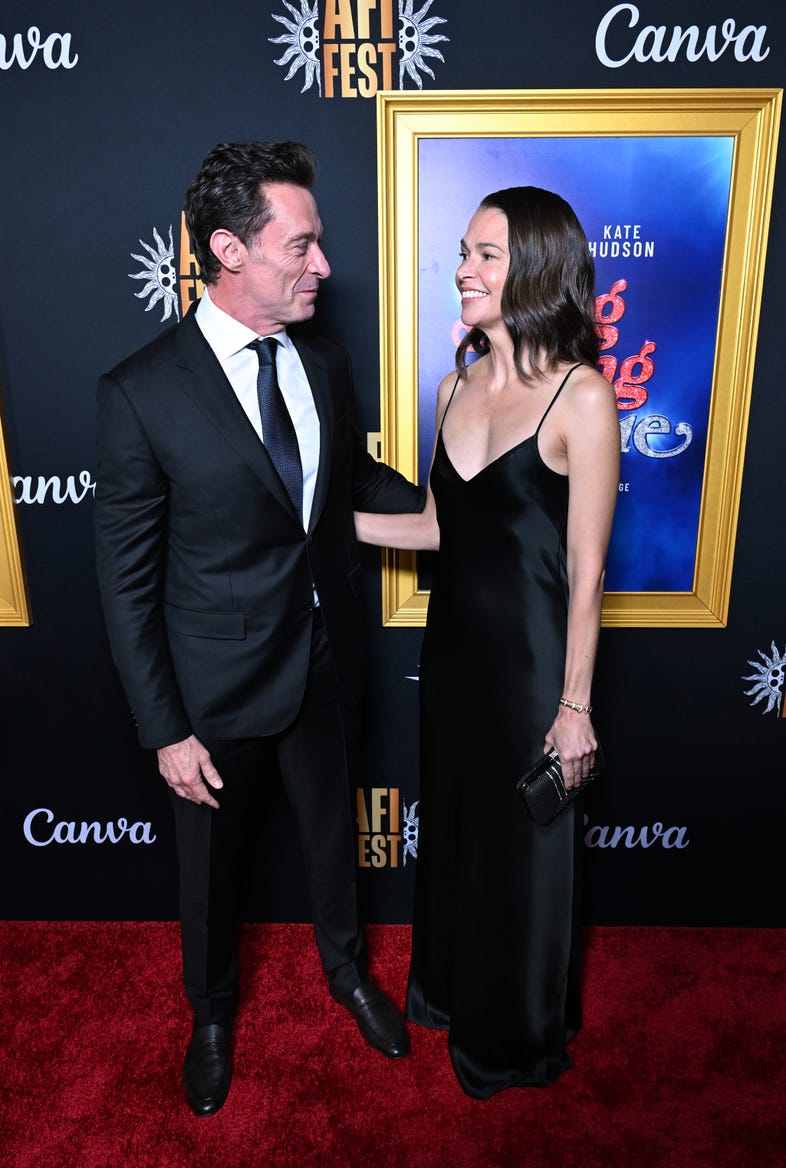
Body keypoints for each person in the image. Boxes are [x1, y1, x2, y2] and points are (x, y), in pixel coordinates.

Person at [94, 140, 424, 1116]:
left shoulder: (323, 360)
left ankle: (348, 973)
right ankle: (210, 1016)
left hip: (326, 663)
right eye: (302, 246)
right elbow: (125, 581)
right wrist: (166, 728)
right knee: (210, 874)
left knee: (333, 843)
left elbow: (348, 484)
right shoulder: (140, 391)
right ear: (230, 251)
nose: (324, 265)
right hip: (214, 689)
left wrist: (464, 509)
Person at [355, 186, 620, 1098]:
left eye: (485, 255)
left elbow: (587, 570)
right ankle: (450, 991)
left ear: (535, 269)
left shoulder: (582, 397)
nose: (463, 270)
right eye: (465, 252)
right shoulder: (454, 386)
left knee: (525, 851)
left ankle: (517, 1034)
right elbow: (440, 526)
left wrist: (574, 706)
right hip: (453, 661)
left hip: (534, 670)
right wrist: (323, 523)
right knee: (459, 832)